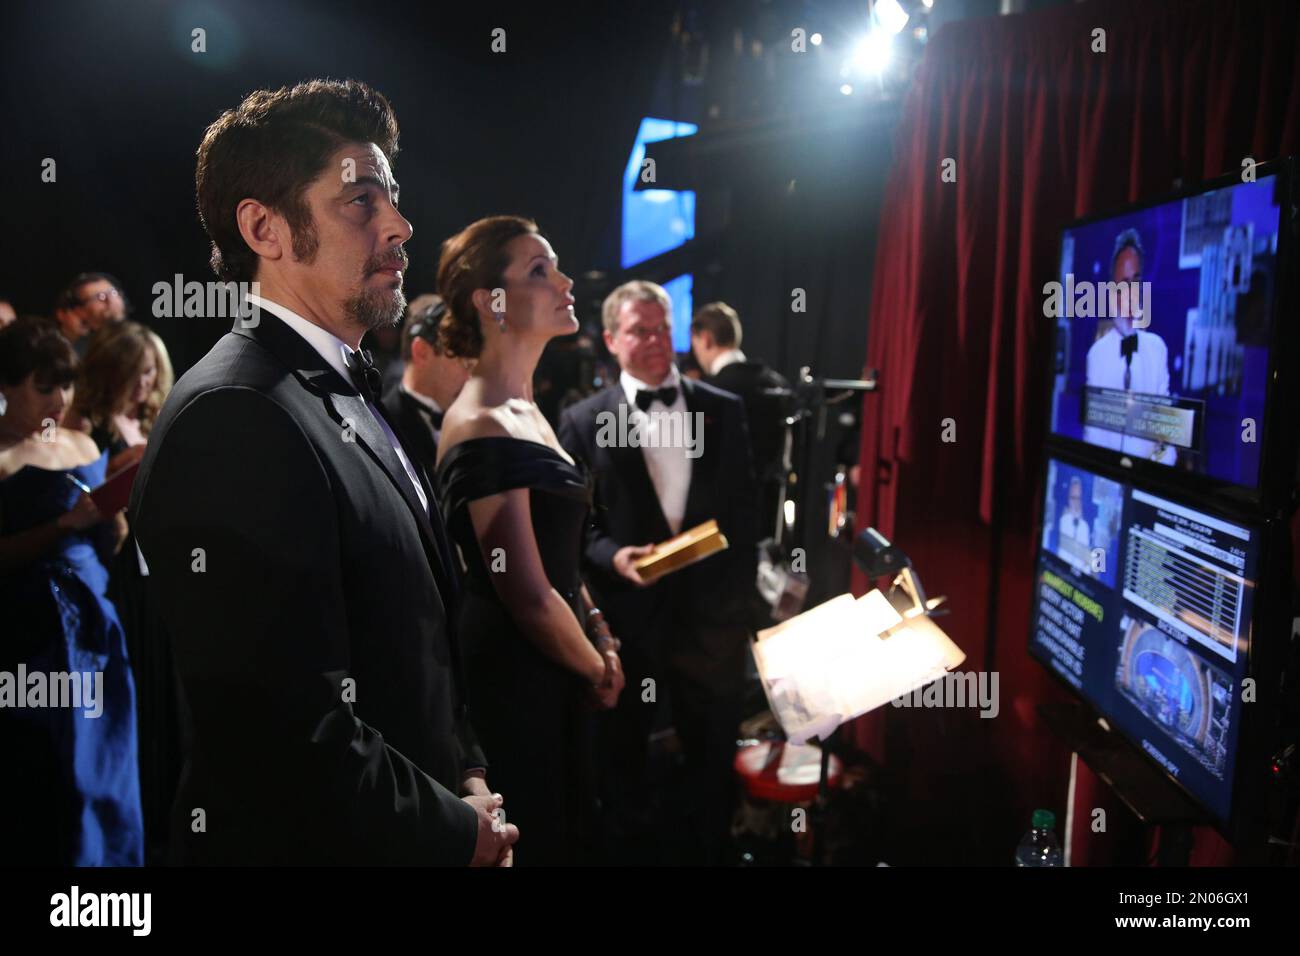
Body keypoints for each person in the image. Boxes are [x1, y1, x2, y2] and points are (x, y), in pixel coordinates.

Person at [128, 78, 516, 865]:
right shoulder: (233, 415)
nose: (402, 226)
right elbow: (282, 735)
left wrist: (465, 769)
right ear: (265, 228)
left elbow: (414, 639)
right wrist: (454, 833)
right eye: (361, 201)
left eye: (395, 198)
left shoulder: (331, 385)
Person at [434, 216, 625, 865]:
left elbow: (562, 562)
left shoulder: (528, 409)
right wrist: (598, 665)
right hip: (516, 676)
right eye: (539, 271)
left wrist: (599, 630)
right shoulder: (480, 418)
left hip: (558, 659)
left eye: (556, 265)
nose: (566, 281)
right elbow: (527, 594)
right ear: (489, 300)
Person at [559, 279, 760, 865]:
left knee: (710, 771)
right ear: (612, 341)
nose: (655, 340)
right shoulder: (580, 420)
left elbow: (745, 519)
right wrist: (613, 557)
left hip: (711, 628)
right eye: (640, 330)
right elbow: (579, 532)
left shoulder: (723, 410)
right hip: (629, 624)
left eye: (663, 328)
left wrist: (735, 614)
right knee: (623, 771)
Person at [0, 317, 144, 865]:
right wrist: (63, 526)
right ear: (7, 386)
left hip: (95, 623)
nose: (59, 399)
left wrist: (110, 522)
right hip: (26, 634)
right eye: (44, 386)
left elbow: (108, 544)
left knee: (108, 766)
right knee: (51, 774)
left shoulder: (83, 442)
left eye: (66, 384)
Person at [690, 301, 790, 542]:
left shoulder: (707, 393)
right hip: (770, 518)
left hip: (720, 524)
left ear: (705, 339)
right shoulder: (777, 383)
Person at [1083, 228, 1176, 463]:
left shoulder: (1157, 349)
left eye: (1136, 281)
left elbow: (1166, 440)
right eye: (1123, 284)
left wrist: (1152, 470)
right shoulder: (1097, 355)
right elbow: (1092, 439)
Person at [380, 294, 473, 477]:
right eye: (463, 361)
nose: (470, 377)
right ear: (421, 352)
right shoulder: (380, 429)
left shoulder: (474, 423)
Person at [54, 273, 129, 357]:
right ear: (81, 311)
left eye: (113, 292)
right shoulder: (80, 354)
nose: (110, 299)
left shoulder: (140, 336)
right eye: (99, 296)